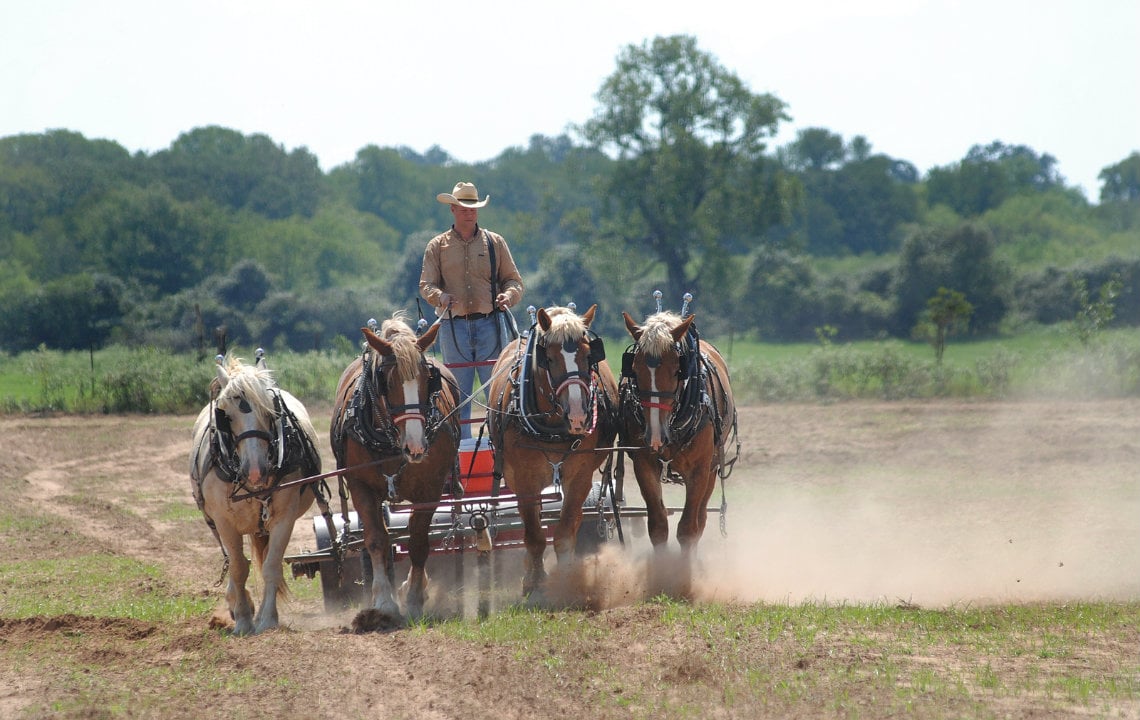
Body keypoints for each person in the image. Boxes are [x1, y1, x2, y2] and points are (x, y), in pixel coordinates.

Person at [419, 181, 524, 438]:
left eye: (473, 207)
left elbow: (514, 281)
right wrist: (440, 297)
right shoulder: (437, 246)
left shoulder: (494, 242)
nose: (470, 211)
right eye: (464, 207)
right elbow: (426, 285)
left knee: (498, 390)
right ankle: (461, 451)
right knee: (458, 394)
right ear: (453, 209)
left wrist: (508, 295)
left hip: (490, 323)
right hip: (453, 327)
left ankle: (500, 446)